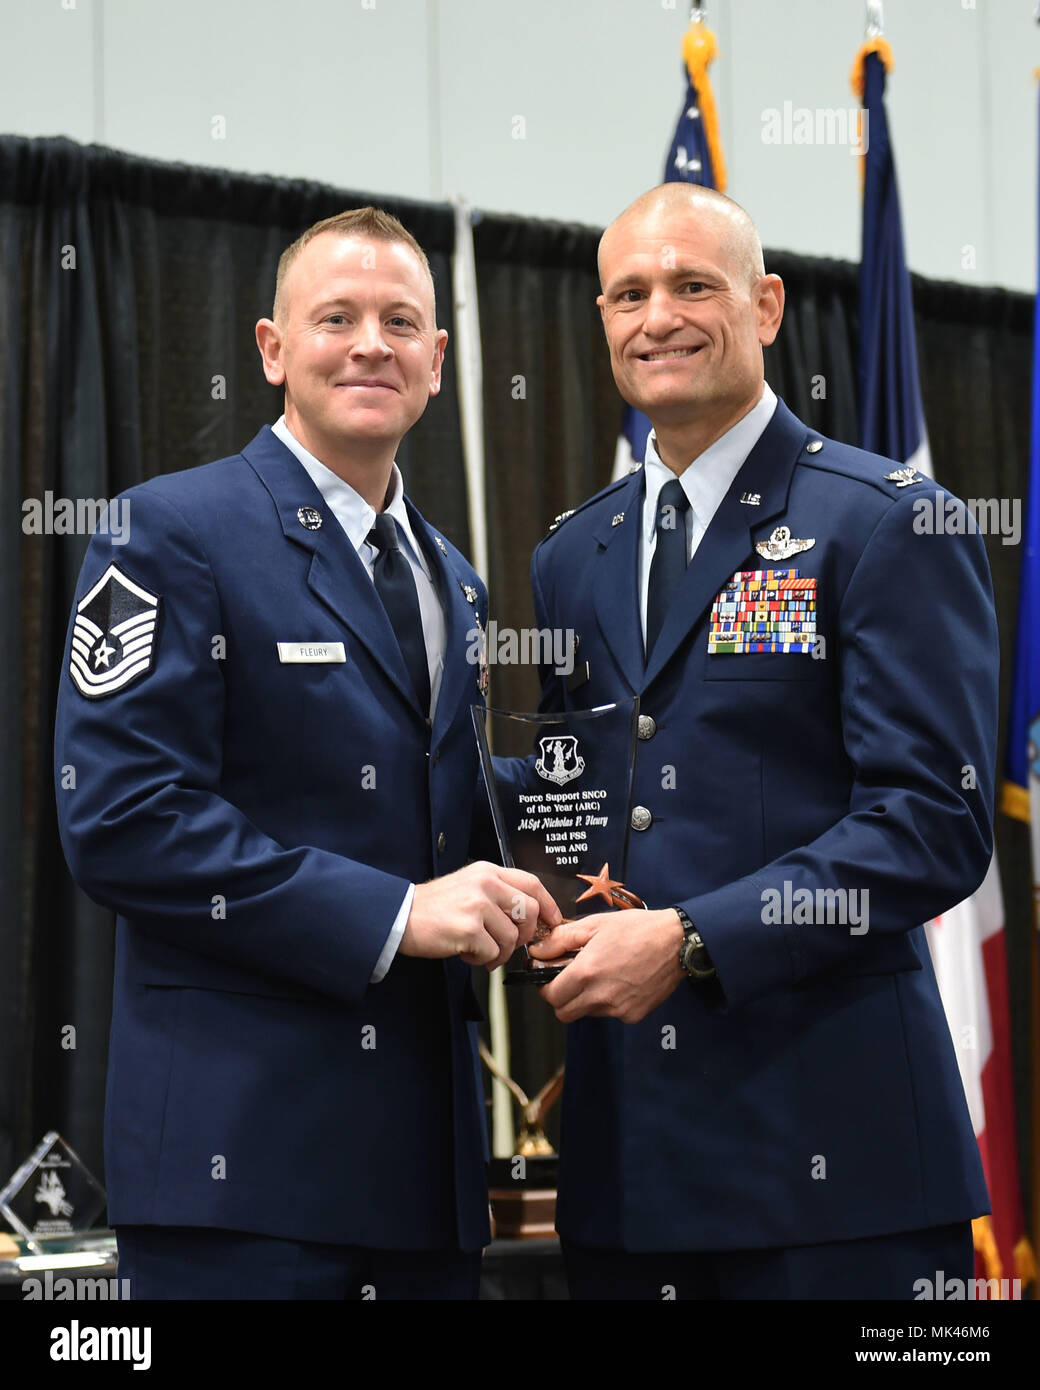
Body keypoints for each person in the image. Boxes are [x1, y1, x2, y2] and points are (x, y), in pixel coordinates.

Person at [53, 207, 559, 1300]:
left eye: (399, 320)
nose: (370, 342)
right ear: (273, 349)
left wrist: (598, 835)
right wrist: (395, 914)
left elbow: (449, 806)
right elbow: (124, 819)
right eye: (336, 317)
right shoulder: (170, 532)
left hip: (425, 1178)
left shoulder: (453, 579)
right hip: (240, 1173)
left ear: (436, 360)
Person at [527, 183, 997, 1300]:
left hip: (833, 1171)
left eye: (693, 284)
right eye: (628, 293)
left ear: (767, 303)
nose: (658, 318)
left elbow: (933, 821)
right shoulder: (571, 556)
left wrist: (692, 939)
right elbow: (579, 791)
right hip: (626, 1169)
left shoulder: (881, 520)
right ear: (601, 318)